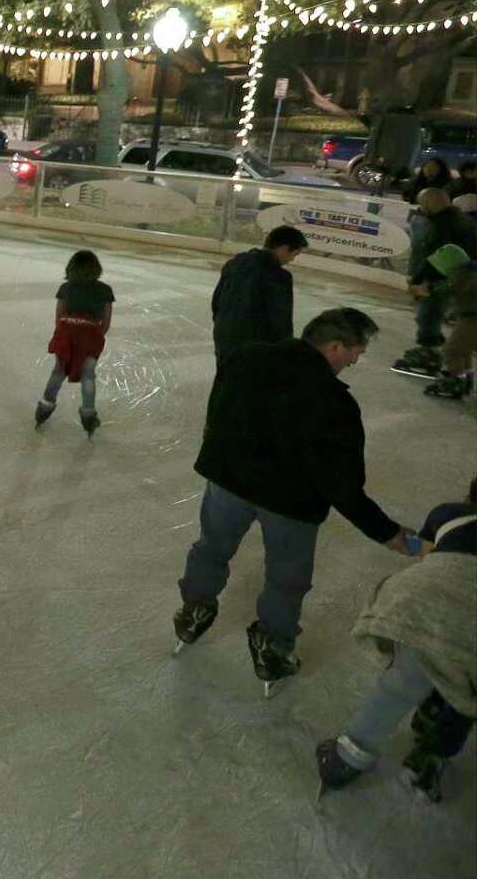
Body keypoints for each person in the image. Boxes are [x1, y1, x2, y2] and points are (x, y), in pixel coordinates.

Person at [171, 308, 420, 694]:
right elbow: (343, 486)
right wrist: (386, 532)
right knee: (287, 578)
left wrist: (218, 450)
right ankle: (273, 647)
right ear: (334, 346)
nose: (355, 361)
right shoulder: (336, 403)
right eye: (355, 352)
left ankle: (194, 609)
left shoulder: (245, 356)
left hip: (228, 482)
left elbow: (216, 408)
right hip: (290, 505)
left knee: (211, 548)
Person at [315, 476, 476, 803]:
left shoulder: (449, 513)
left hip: (422, 603)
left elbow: (424, 552)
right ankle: (430, 757)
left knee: (403, 682)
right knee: (466, 693)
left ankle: (347, 759)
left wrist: (403, 540)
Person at [392, 188, 477, 378]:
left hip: (448, 277)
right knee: (443, 317)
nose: (421, 208)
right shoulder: (461, 220)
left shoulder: (444, 225)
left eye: (422, 204)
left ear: (430, 203)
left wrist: (419, 281)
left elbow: (437, 257)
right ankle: (458, 369)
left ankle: (431, 354)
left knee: (430, 312)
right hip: (459, 279)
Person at [34, 249, 113, 436]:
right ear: (96, 268)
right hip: (91, 334)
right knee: (88, 374)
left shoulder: (66, 288)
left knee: (59, 371)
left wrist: (64, 334)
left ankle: (45, 407)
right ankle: (88, 414)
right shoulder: (105, 290)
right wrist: (94, 336)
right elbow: (106, 321)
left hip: (67, 332)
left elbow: (59, 315)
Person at [210, 225, 307, 364]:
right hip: (255, 349)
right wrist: (285, 350)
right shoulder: (278, 276)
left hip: (223, 340)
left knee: (225, 375)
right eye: (294, 254)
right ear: (284, 248)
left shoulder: (234, 264)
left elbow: (217, 302)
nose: (292, 260)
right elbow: (280, 320)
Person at [422, 243, 476, 402]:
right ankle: (466, 377)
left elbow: (451, 288)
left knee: (451, 350)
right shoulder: (469, 272)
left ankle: (456, 380)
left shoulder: (463, 275)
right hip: (468, 317)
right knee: (463, 350)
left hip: (472, 319)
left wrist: (430, 290)